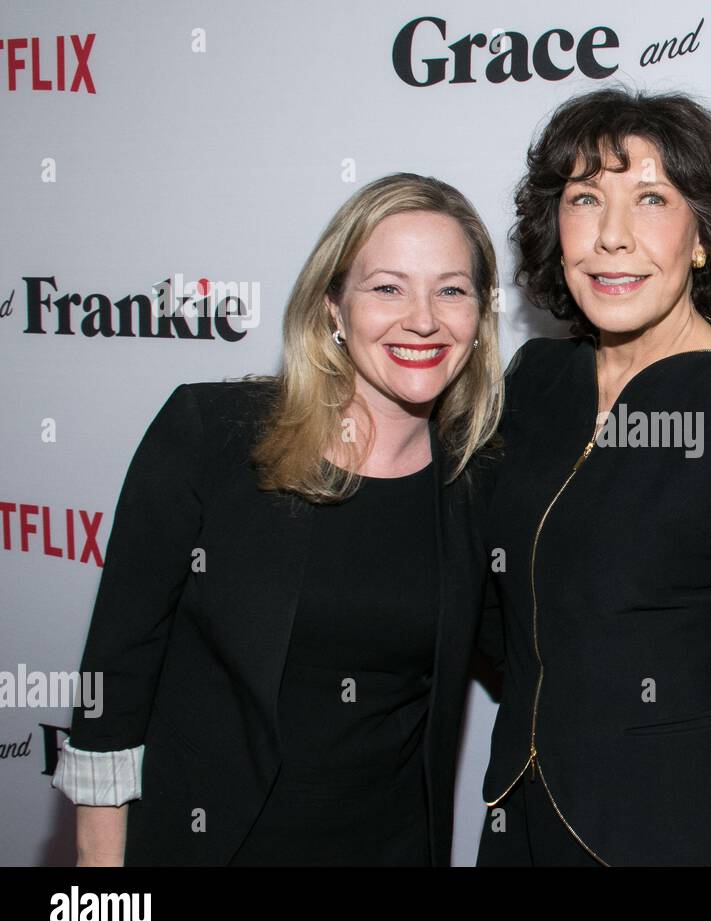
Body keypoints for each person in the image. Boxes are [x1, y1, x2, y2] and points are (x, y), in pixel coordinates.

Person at [52, 173, 503, 866]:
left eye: (452, 290)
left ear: (479, 318)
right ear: (332, 307)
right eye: (387, 287)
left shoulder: (473, 484)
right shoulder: (212, 436)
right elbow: (115, 674)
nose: (423, 319)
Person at [475, 88, 711, 866]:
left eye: (652, 200)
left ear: (702, 236)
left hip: (665, 832)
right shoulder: (538, 380)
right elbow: (501, 607)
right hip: (519, 816)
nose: (611, 237)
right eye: (585, 199)